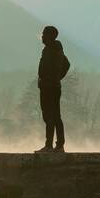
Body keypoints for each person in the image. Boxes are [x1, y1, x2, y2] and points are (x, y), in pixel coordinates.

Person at [36, 25, 70, 153]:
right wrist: (57, 78)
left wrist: (55, 78)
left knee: (51, 116)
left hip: (50, 88)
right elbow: (67, 64)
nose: (42, 36)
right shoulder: (51, 49)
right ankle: (57, 145)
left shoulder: (54, 49)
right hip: (48, 86)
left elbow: (66, 65)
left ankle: (51, 146)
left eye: (44, 34)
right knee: (52, 116)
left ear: (50, 36)